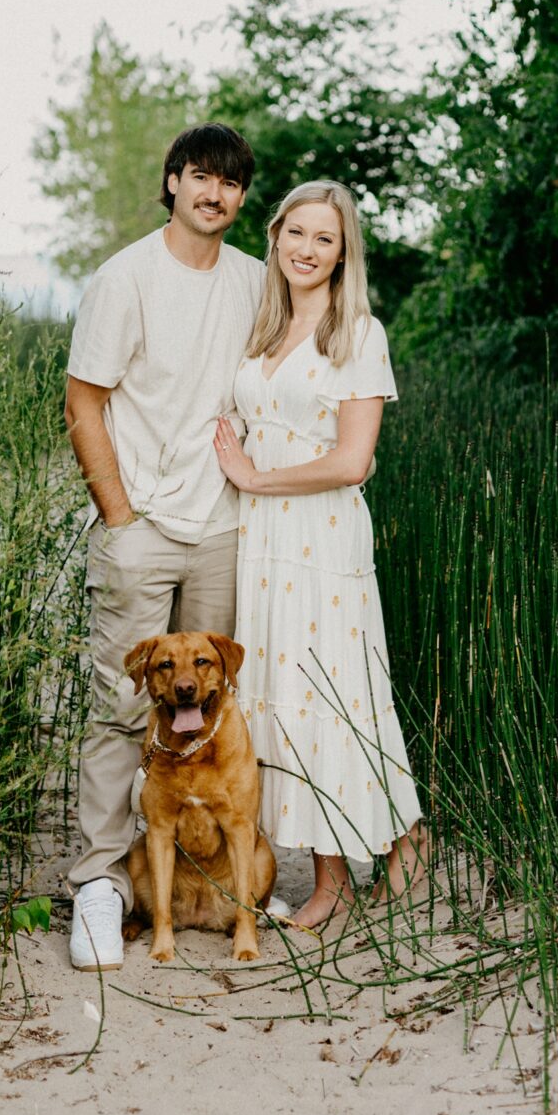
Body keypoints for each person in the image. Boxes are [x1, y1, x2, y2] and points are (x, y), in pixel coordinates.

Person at [64, 123, 263, 970]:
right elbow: (83, 402)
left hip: (222, 527)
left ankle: (216, 888)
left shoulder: (256, 282)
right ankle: (99, 889)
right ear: (172, 181)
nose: (215, 194)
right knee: (121, 714)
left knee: (208, 713)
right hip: (142, 527)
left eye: (230, 183)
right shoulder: (126, 278)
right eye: (200, 178)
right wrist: (120, 519)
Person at [213, 181, 424, 928]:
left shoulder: (357, 333)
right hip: (261, 542)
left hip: (321, 537)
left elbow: (352, 461)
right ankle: (405, 836)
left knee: (329, 697)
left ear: (343, 253)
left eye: (323, 239)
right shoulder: (258, 329)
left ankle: (334, 880)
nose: (306, 249)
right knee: (279, 696)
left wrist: (255, 478)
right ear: (273, 236)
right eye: (295, 233)